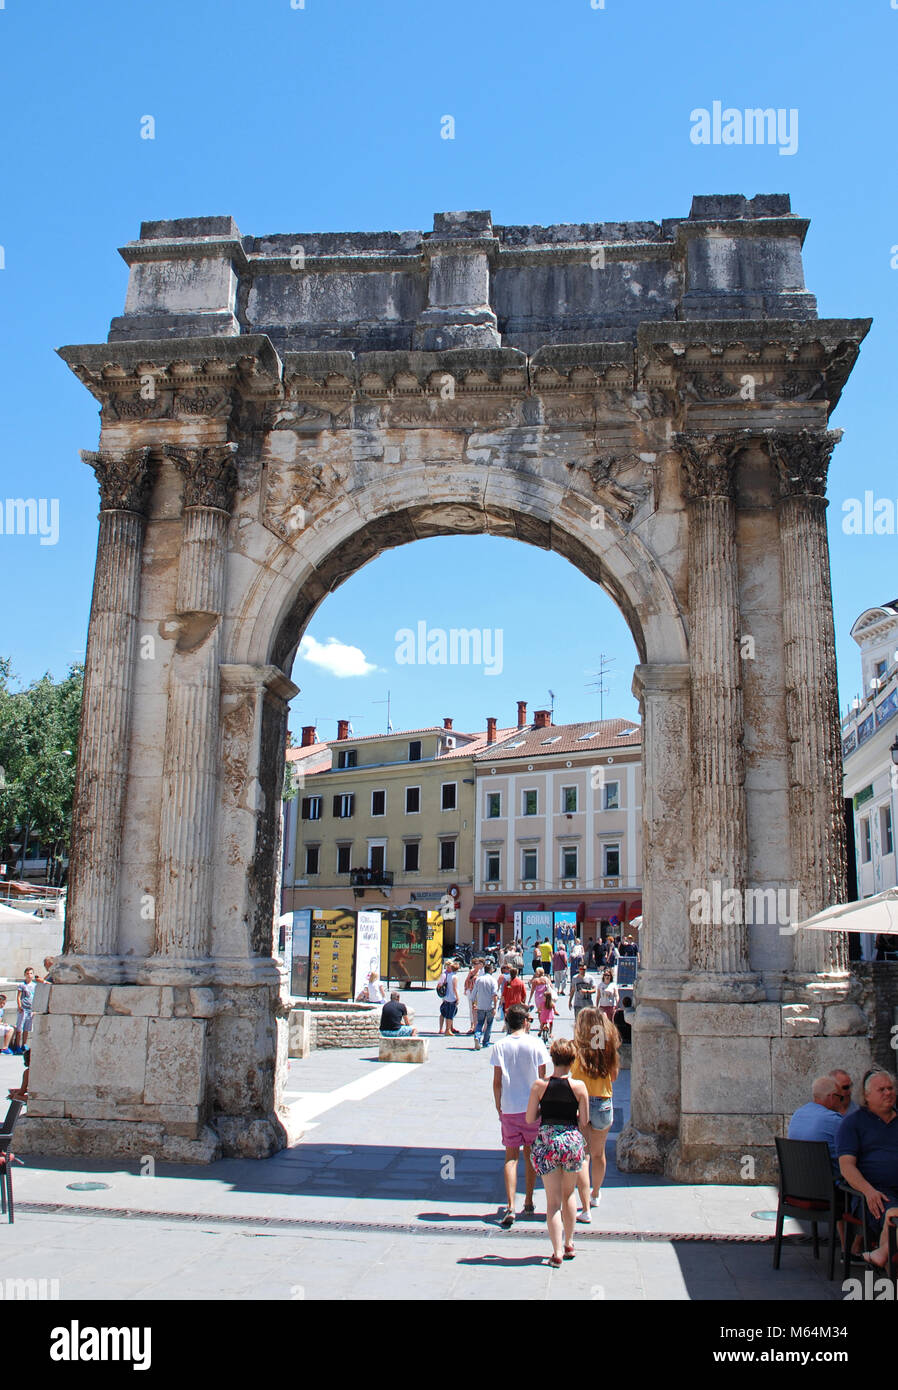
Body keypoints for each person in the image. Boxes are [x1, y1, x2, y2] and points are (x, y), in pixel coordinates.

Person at [526, 1036, 589, 1266]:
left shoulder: (539, 1086)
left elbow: (530, 1117)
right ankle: (570, 1242)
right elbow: (584, 1121)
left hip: (548, 1143)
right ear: (573, 1059)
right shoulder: (579, 1086)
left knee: (552, 1202)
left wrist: (547, 1114)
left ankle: (556, 1252)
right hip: (571, 1141)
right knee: (569, 1194)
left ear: (552, 1058)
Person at [490, 1003, 550, 1228]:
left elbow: (497, 1082)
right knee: (531, 1155)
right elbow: (543, 1079)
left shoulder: (500, 1046)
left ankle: (510, 1206)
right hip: (532, 1109)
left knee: (511, 1157)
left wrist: (499, 1106)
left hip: (509, 1107)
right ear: (526, 1022)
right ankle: (529, 1201)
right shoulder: (537, 1044)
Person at [837, 1069, 898, 1270]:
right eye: (882, 1089)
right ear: (867, 1096)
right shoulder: (853, 1123)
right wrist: (868, 1191)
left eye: (890, 1088)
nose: (888, 1093)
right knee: (893, 1216)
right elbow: (846, 1166)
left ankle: (881, 1254)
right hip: (875, 1195)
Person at [570, 1006, 620, 1216]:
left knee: (583, 1155)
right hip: (603, 1102)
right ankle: (596, 1193)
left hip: (580, 1102)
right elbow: (614, 1076)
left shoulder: (577, 1047)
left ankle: (585, 1207)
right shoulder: (608, 1048)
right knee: (599, 1154)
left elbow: (571, 1075)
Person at [787, 1076, 845, 1174]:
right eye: (841, 1098)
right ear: (832, 1097)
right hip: (830, 1184)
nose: (841, 1102)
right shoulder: (834, 1120)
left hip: (799, 1182)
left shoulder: (798, 1114)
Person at [472, 960, 499, 1050]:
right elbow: (494, 994)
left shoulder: (479, 979)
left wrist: (473, 1003)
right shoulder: (493, 980)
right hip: (489, 1005)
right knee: (489, 1023)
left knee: (480, 1023)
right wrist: (495, 1007)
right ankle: (485, 1042)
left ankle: (477, 1036)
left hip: (480, 1005)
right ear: (491, 970)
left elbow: (474, 993)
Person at [11, 967, 35, 1055]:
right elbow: (18, 996)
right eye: (28, 973)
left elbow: (35, 997)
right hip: (23, 1009)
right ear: (25, 974)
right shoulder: (22, 985)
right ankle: (17, 1045)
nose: (29, 975)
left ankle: (24, 1044)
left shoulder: (34, 985)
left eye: (31, 973)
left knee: (27, 1028)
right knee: (20, 1028)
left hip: (30, 1009)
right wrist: (19, 1006)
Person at [437, 961, 461, 1037]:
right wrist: (457, 997)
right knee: (450, 1014)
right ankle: (448, 1029)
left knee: (447, 1014)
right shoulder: (454, 977)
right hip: (452, 997)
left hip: (447, 997)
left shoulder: (448, 975)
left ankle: (448, 1029)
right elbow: (455, 988)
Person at [463, 958, 482, 1035]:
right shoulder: (471, 972)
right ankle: (472, 1025)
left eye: (477, 964)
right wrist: (466, 989)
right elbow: (466, 981)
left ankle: (478, 1025)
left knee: (479, 1009)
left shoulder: (482, 972)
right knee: (472, 1009)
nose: (476, 965)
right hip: (471, 992)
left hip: (479, 992)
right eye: (475, 964)